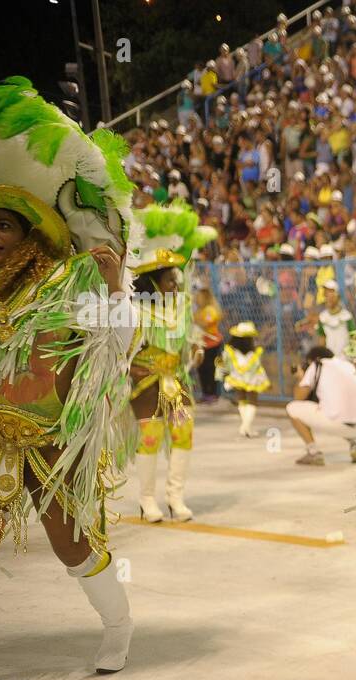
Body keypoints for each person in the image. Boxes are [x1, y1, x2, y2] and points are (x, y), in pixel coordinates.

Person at [0, 79, 138, 680]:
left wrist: (118, 287)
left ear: (31, 233)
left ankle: (118, 627)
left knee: (71, 543)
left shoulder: (73, 280)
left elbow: (113, 349)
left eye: (4, 226)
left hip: (54, 437)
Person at [128, 203, 215, 523]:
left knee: (183, 434)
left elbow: (186, 344)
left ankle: (176, 497)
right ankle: (147, 500)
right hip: (146, 383)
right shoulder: (135, 313)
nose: (175, 286)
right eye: (169, 281)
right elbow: (116, 352)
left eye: (176, 281)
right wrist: (129, 369)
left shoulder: (180, 309)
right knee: (150, 438)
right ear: (151, 283)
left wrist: (193, 353)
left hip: (177, 381)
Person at [286, 346, 356, 465]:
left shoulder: (318, 365)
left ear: (314, 359)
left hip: (337, 424)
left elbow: (298, 397)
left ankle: (313, 452)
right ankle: (354, 445)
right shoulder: (347, 365)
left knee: (292, 408)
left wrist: (300, 377)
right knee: (341, 408)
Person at [216, 322, 271, 436]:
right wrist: (266, 381)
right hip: (253, 379)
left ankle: (245, 427)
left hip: (236, 378)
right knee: (252, 401)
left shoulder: (229, 351)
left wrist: (222, 376)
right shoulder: (255, 352)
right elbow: (258, 368)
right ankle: (246, 427)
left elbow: (221, 364)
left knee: (241, 400)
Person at [314, 278, 356, 356]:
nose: (328, 296)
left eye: (331, 292)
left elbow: (353, 338)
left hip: (345, 358)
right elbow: (322, 339)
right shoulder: (323, 317)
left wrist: (353, 356)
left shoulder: (346, 316)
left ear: (337, 296)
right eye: (326, 294)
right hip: (330, 359)